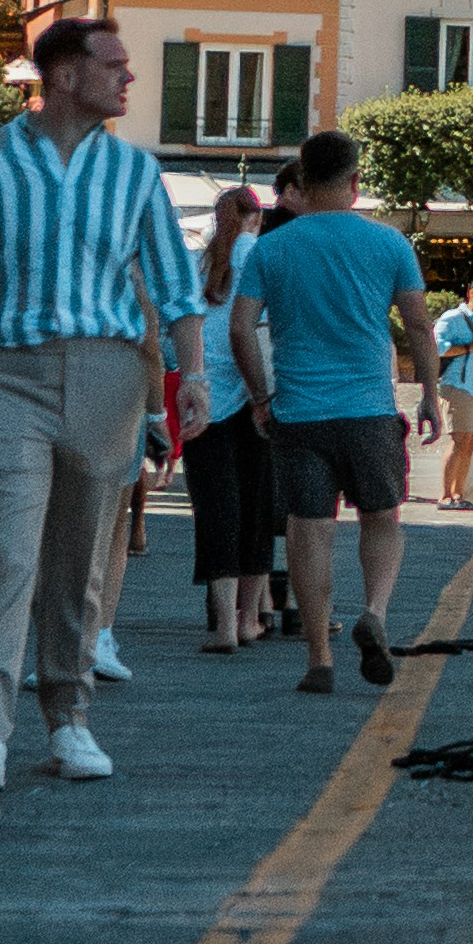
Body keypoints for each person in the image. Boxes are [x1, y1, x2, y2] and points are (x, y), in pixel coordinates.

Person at [0, 8, 200, 793]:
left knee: (79, 564)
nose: (128, 77)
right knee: (6, 555)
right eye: (114, 64)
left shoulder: (136, 172)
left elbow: (174, 283)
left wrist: (194, 381)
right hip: (5, 374)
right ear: (63, 74)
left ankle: (69, 720)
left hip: (108, 375)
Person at [231, 131, 440, 689]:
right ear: (354, 181)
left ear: (300, 182)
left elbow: (241, 328)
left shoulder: (272, 248)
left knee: (309, 531)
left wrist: (259, 397)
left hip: (299, 414)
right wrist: (430, 395)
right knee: (381, 518)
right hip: (370, 409)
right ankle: (374, 612)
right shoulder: (390, 243)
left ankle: (319, 659)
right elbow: (419, 326)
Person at [183, 180, 284, 645]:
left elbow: (174, 332)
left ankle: (223, 623)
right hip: (257, 394)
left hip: (206, 396)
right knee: (256, 507)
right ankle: (250, 618)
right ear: (255, 218)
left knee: (215, 510)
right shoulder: (262, 256)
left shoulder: (195, 264)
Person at [431, 275, 473, 508]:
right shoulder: (452, 318)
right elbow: (437, 348)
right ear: (471, 292)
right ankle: (444, 496)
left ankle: (458, 494)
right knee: (458, 440)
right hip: (457, 386)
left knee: (469, 442)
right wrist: (467, 348)